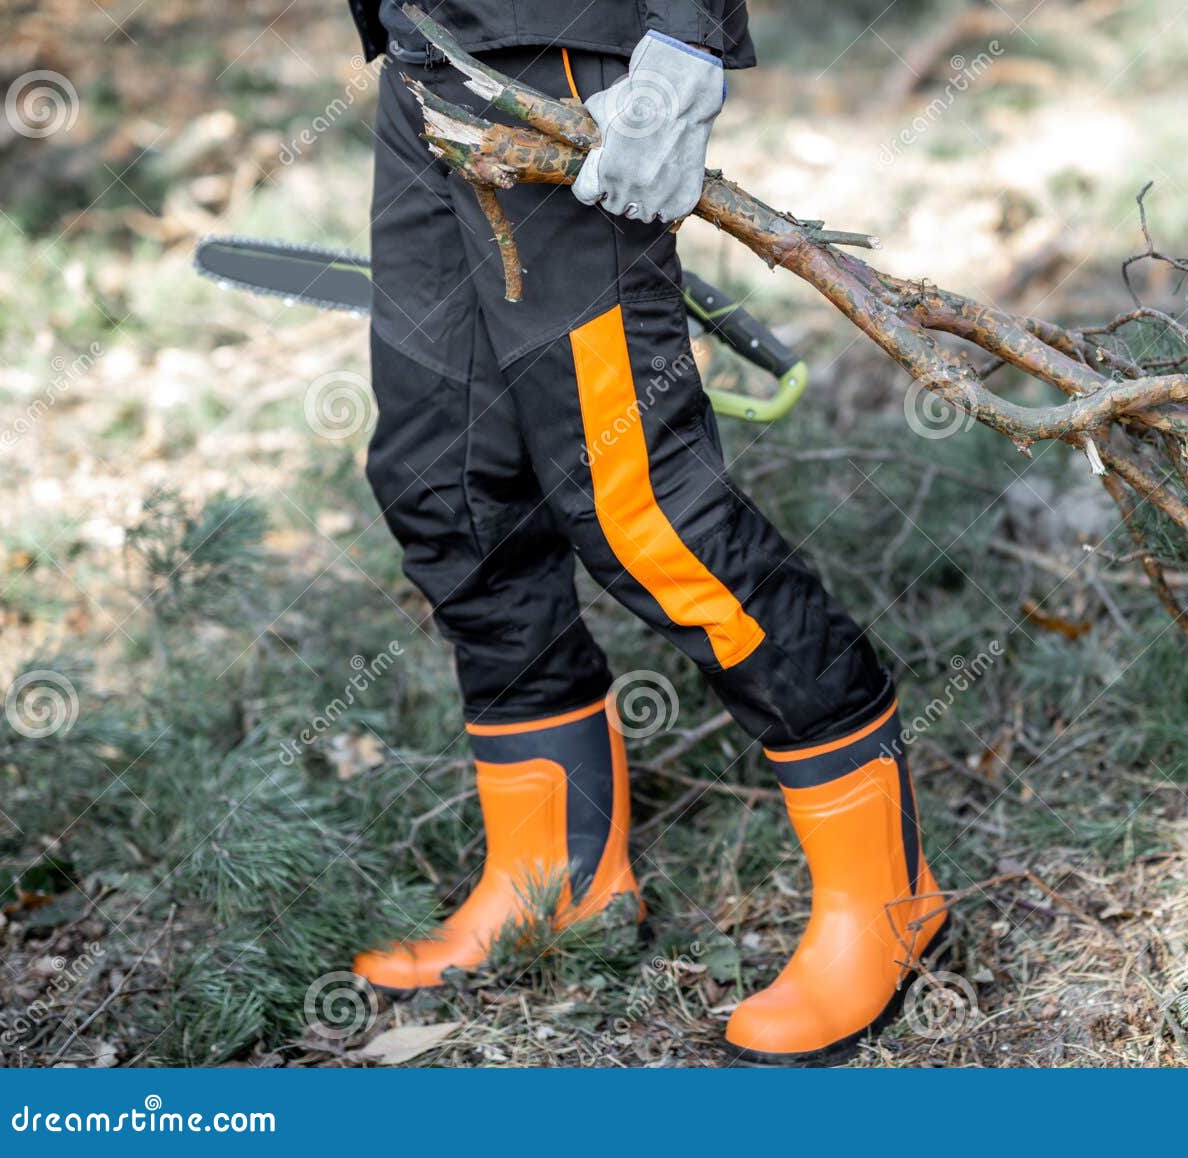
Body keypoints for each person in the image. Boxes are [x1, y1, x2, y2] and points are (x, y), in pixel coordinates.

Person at [344, 0, 946, 1064]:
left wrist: (678, 41)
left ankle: (883, 895)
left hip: (565, 62)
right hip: (424, 55)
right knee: (445, 487)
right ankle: (558, 882)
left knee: (642, 510)